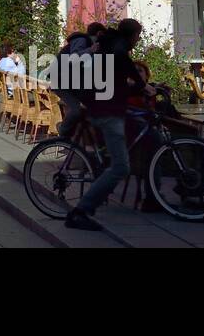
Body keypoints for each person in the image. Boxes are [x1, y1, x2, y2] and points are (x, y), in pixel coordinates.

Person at [65, 18, 145, 233]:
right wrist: (138, 88)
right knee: (121, 167)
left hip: (98, 105)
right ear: (133, 35)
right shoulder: (120, 49)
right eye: (138, 35)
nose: (139, 39)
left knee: (131, 134)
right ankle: (80, 211)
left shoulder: (108, 43)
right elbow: (136, 81)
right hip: (107, 111)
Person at [52, 22, 105, 138]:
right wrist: (91, 50)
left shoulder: (90, 44)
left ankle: (84, 140)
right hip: (60, 80)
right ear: (99, 33)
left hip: (70, 80)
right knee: (76, 110)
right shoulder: (82, 40)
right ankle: (63, 131)